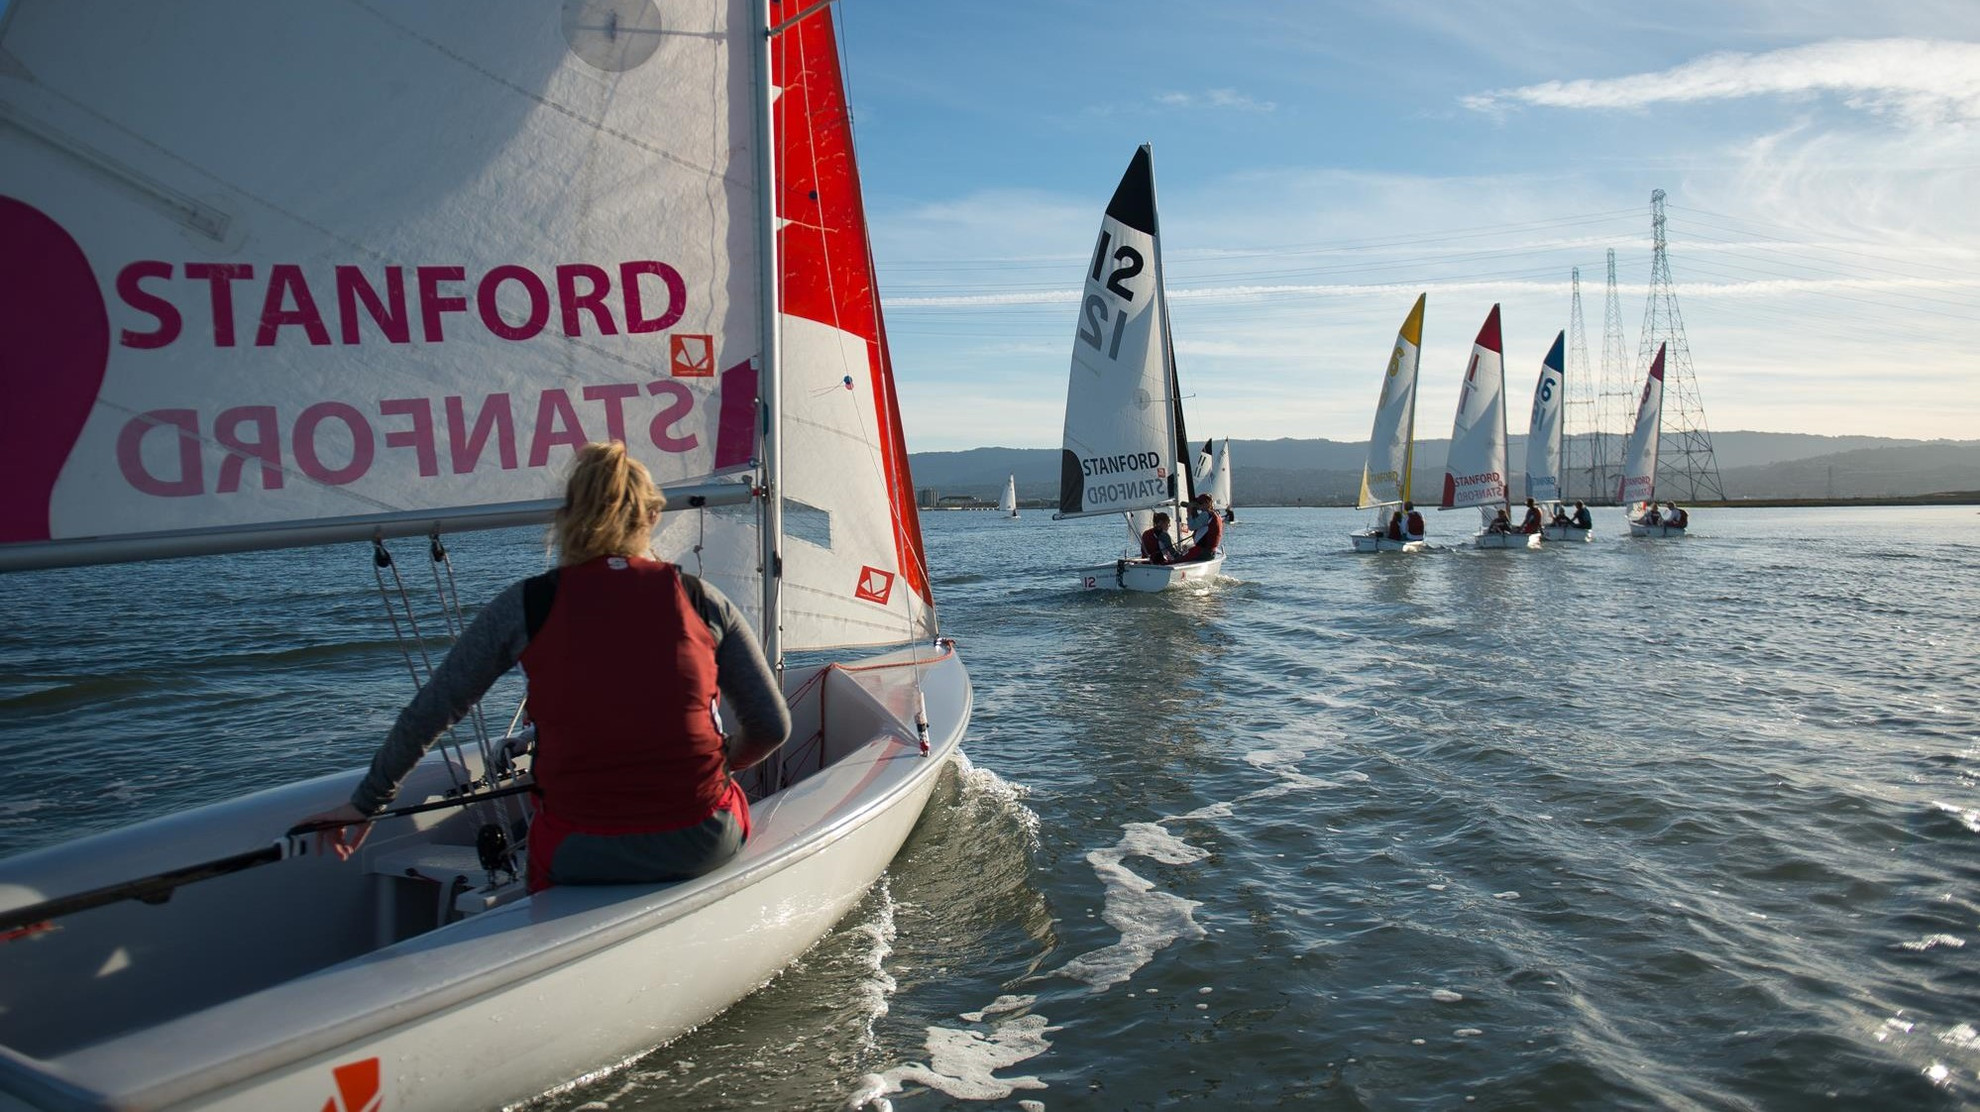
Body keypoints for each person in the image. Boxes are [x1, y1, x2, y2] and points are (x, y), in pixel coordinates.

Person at [301, 442, 791, 892]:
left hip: (580, 852)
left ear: (566, 517)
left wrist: (367, 804)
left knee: (540, 833)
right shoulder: (701, 600)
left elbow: (431, 711)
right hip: (702, 839)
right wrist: (724, 762)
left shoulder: (527, 605)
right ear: (653, 515)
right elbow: (771, 726)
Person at [1179, 493, 1222, 562]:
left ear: (1207, 503)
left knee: (1176, 560)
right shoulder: (1215, 514)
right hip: (1210, 551)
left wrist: (1189, 512)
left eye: (1200, 503)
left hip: (1203, 552)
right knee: (1186, 549)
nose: (1199, 505)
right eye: (1198, 503)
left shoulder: (1205, 515)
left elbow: (1191, 527)